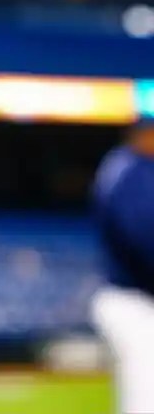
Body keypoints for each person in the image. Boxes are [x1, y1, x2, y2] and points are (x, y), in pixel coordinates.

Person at [90, 118, 154, 413]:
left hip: (131, 297)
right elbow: (144, 236)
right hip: (136, 302)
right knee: (145, 399)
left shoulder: (122, 167)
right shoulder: (134, 172)